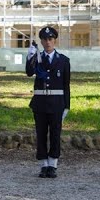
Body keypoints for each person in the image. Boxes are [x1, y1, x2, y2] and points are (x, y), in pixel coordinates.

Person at [25, 26, 71, 178]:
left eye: (50, 39)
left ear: (54, 40)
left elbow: (66, 85)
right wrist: (29, 58)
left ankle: (53, 164)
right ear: (41, 41)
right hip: (40, 102)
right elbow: (29, 72)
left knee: (55, 134)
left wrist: (67, 105)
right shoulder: (37, 59)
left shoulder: (63, 61)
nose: (47, 42)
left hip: (57, 102)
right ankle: (43, 164)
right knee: (41, 133)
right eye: (44, 39)